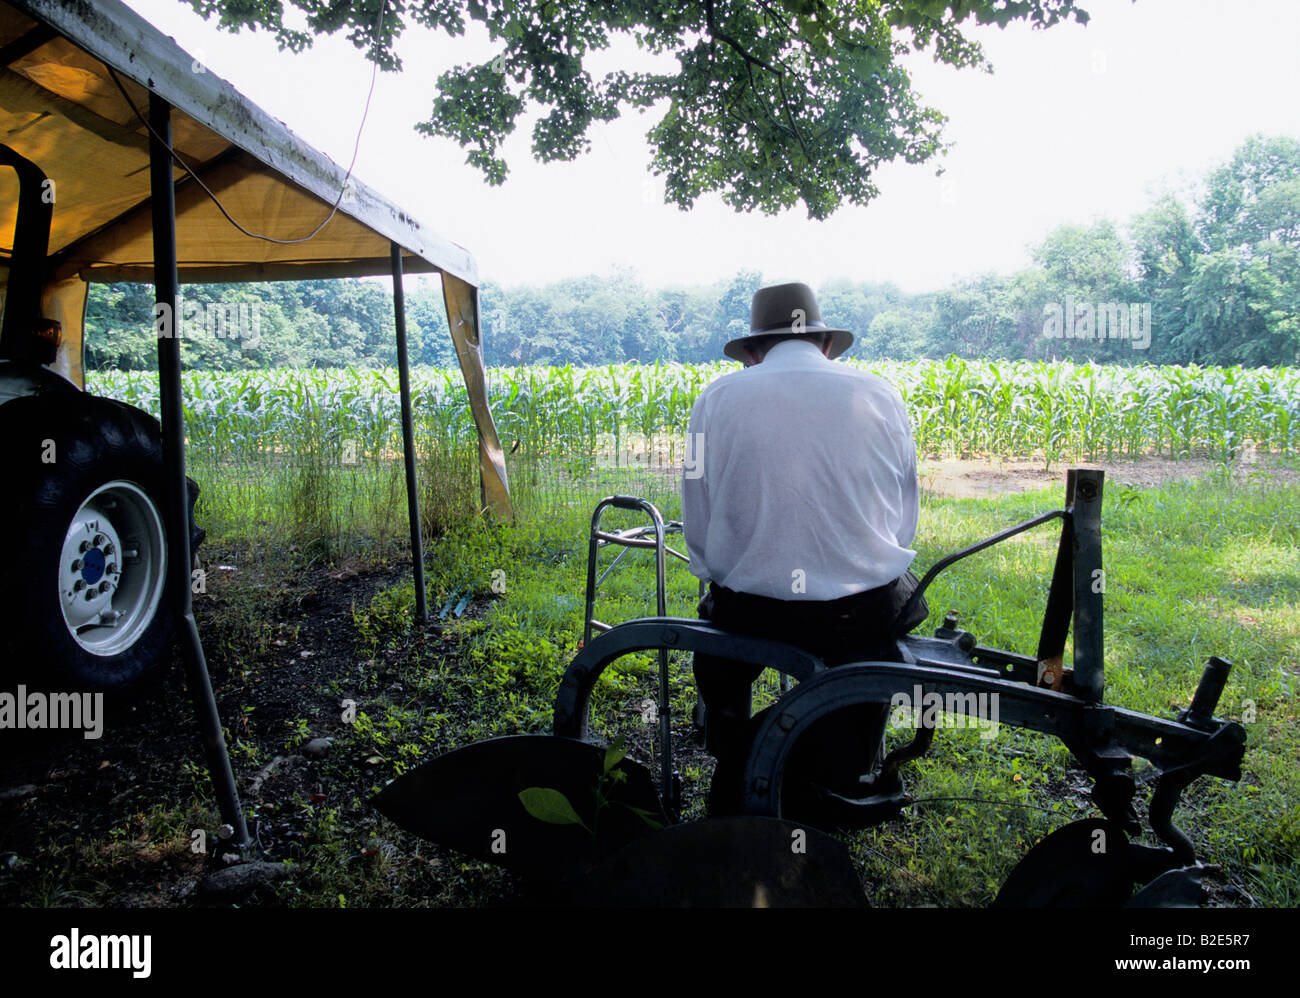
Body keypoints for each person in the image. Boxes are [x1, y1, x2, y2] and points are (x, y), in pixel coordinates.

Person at [681, 281, 927, 817]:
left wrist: (725, 569)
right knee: (873, 648)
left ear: (751, 351)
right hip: (858, 611)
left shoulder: (717, 399)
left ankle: (730, 740)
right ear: (824, 344)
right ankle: (842, 765)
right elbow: (903, 519)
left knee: (719, 654)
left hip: (749, 611)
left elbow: (697, 523)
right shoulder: (879, 394)